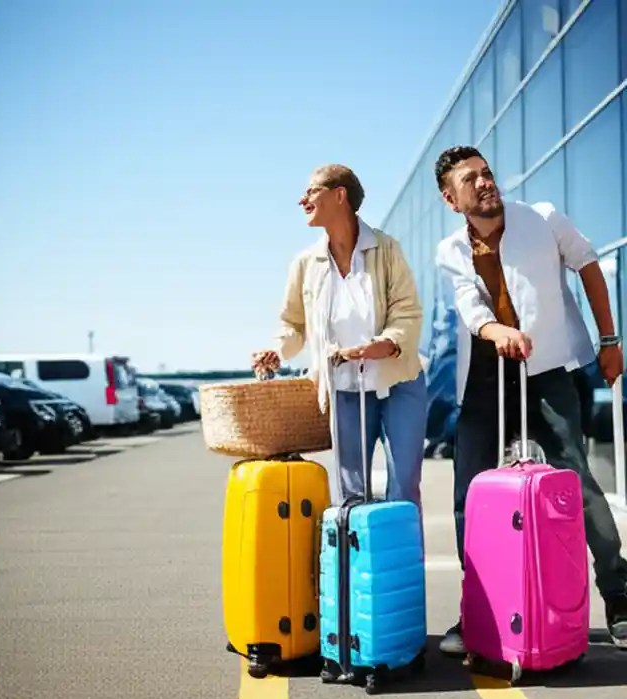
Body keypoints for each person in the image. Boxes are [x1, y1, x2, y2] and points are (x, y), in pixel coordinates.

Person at [431, 144, 627, 654]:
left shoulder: (542, 218)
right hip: (484, 379)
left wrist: (609, 341)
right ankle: (477, 608)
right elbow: (472, 307)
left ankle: (620, 593)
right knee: (468, 497)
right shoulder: (451, 251)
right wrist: (496, 329)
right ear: (452, 199)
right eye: (470, 180)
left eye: (487, 173)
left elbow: (588, 266)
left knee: (576, 482)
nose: (484, 182)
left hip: (547, 371)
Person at [252, 164, 429, 512]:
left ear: (340, 195)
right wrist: (277, 350)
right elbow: (292, 323)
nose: (303, 199)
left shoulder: (386, 249)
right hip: (344, 390)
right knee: (352, 494)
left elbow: (407, 311)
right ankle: (358, 567)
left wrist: (388, 343)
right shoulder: (306, 263)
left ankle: (403, 567)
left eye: (312, 190)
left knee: (405, 488)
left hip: (400, 383)